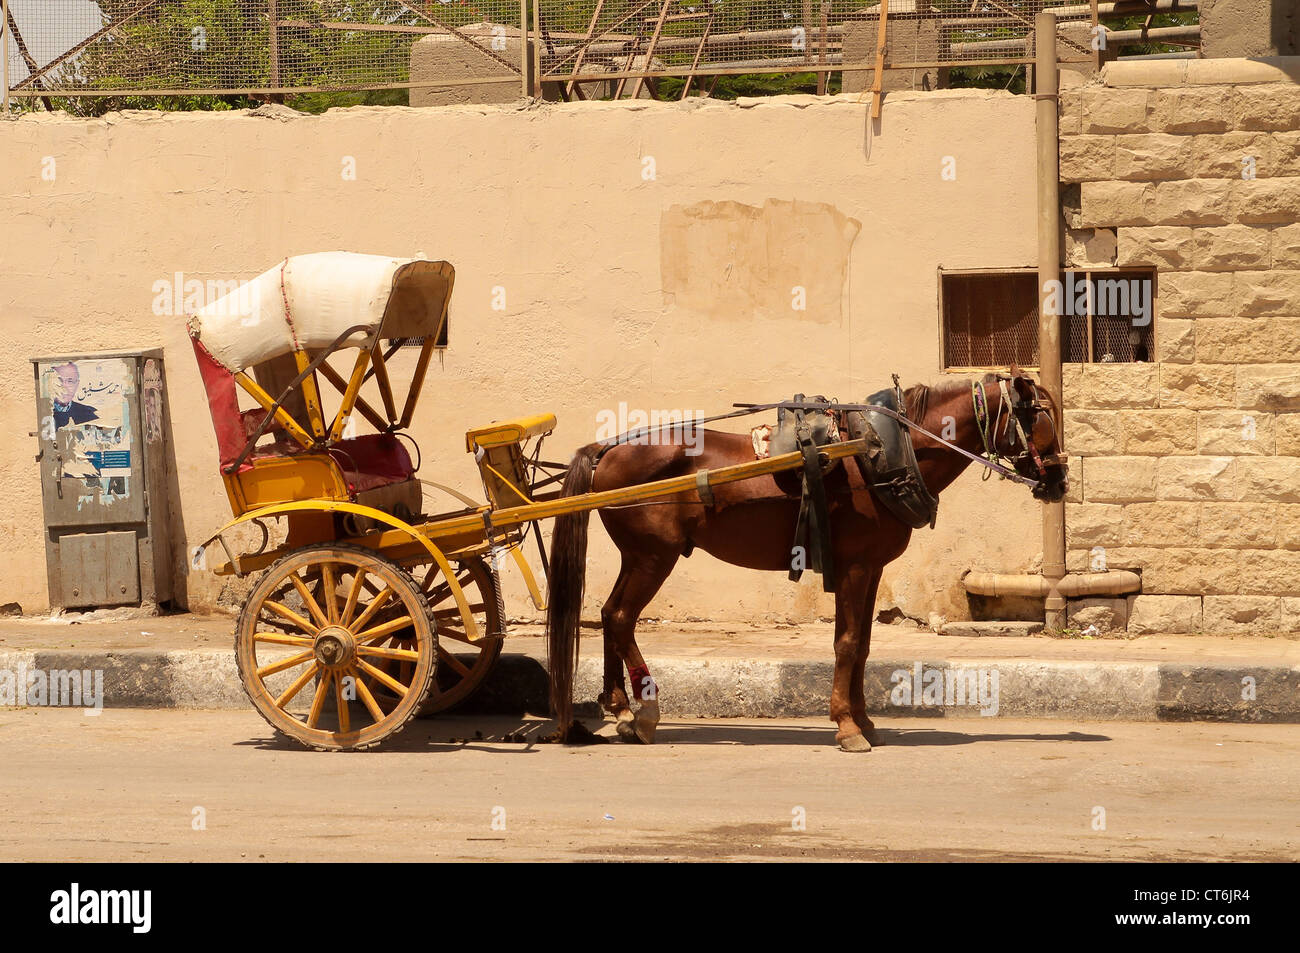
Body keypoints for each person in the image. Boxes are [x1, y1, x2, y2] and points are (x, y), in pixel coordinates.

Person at [49, 362, 98, 430]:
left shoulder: (88, 414)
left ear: (77, 384)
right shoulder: (44, 413)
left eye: (70, 381)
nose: (64, 386)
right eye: (59, 380)